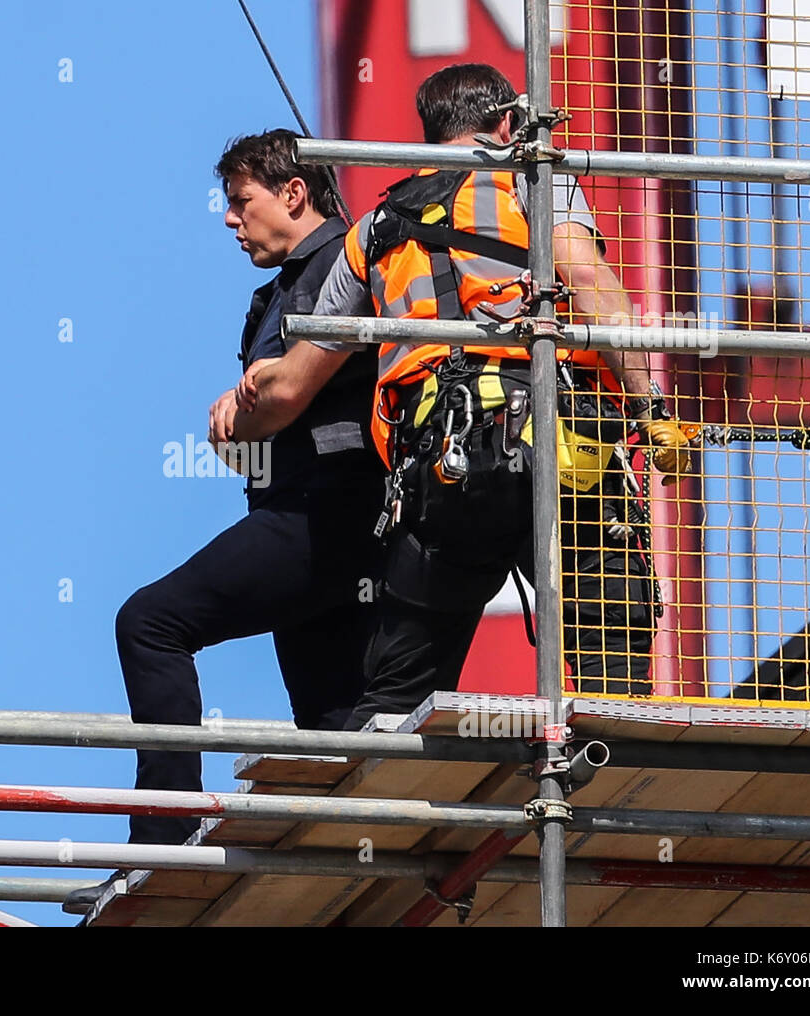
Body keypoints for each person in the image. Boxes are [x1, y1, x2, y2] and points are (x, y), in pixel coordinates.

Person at [232, 65, 694, 727]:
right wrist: (650, 406)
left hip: (443, 473)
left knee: (400, 686)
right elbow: (591, 282)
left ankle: (377, 802)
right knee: (611, 650)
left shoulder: (374, 229)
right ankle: (611, 794)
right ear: (508, 123)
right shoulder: (533, 178)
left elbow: (294, 383)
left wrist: (240, 405)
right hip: (560, 453)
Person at [63, 130, 385, 913]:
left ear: (294, 193)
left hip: (329, 512)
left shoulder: (341, 266)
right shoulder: (278, 292)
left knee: (150, 623)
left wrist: (244, 411)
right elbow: (264, 431)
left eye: (242, 202)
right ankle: (360, 887)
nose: (230, 222)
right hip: (308, 515)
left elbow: (288, 398)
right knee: (332, 728)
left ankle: (162, 841)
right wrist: (241, 429)